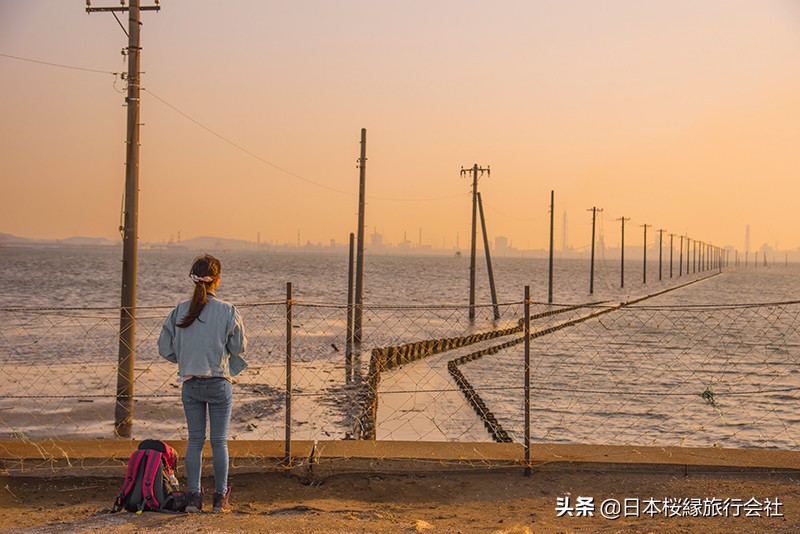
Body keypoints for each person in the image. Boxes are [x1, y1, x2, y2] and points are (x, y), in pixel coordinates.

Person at [158, 254, 247, 513]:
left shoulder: (179, 310)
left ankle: (194, 497)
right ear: (217, 280)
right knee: (219, 442)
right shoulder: (228, 310)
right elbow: (239, 347)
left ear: (193, 279)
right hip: (219, 382)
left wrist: (185, 359)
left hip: (190, 382)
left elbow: (165, 348)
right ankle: (220, 498)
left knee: (195, 441)